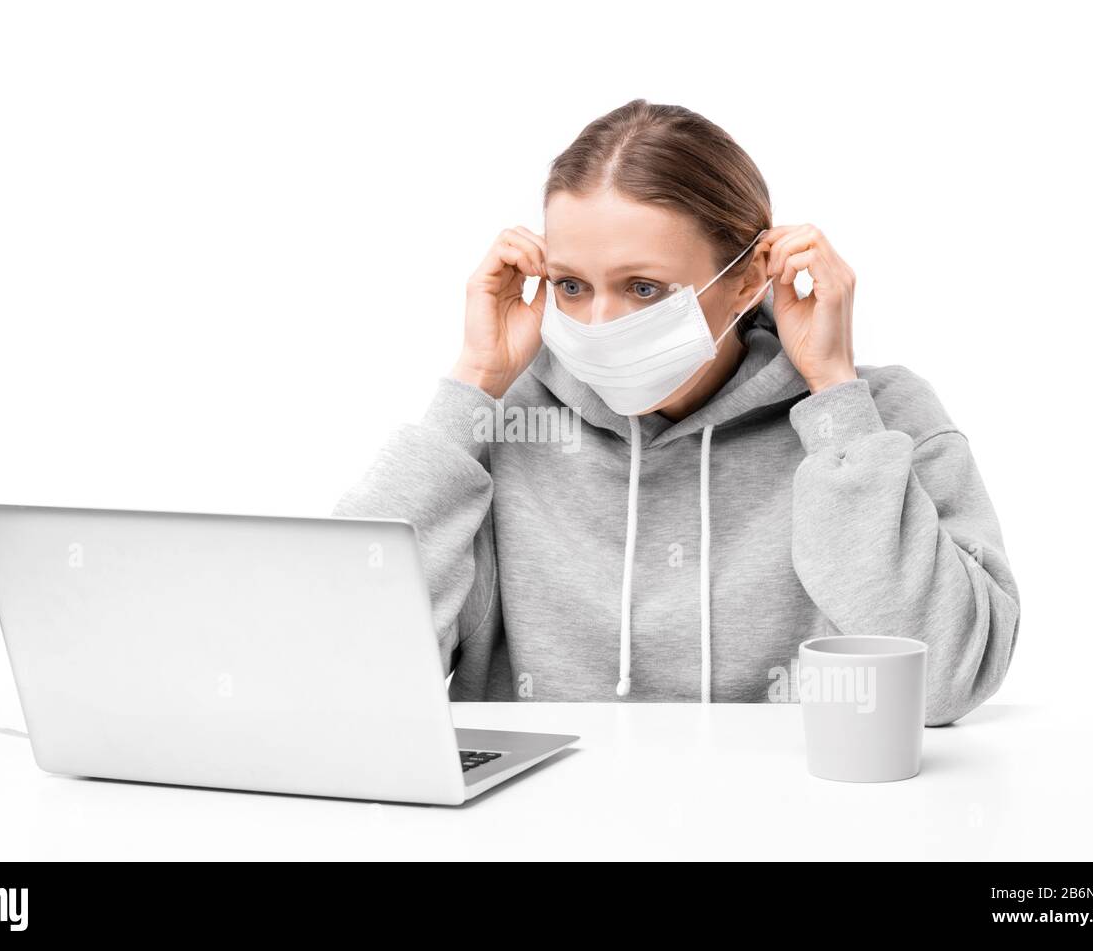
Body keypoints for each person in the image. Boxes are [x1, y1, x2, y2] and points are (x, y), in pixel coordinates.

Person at [334, 98, 1019, 726]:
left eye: (643, 288)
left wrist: (834, 396)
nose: (600, 323)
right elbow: (343, 664)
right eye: (572, 285)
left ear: (748, 280)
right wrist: (473, 386)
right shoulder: (505, 422)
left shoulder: (875, 417)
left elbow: (944, 682)